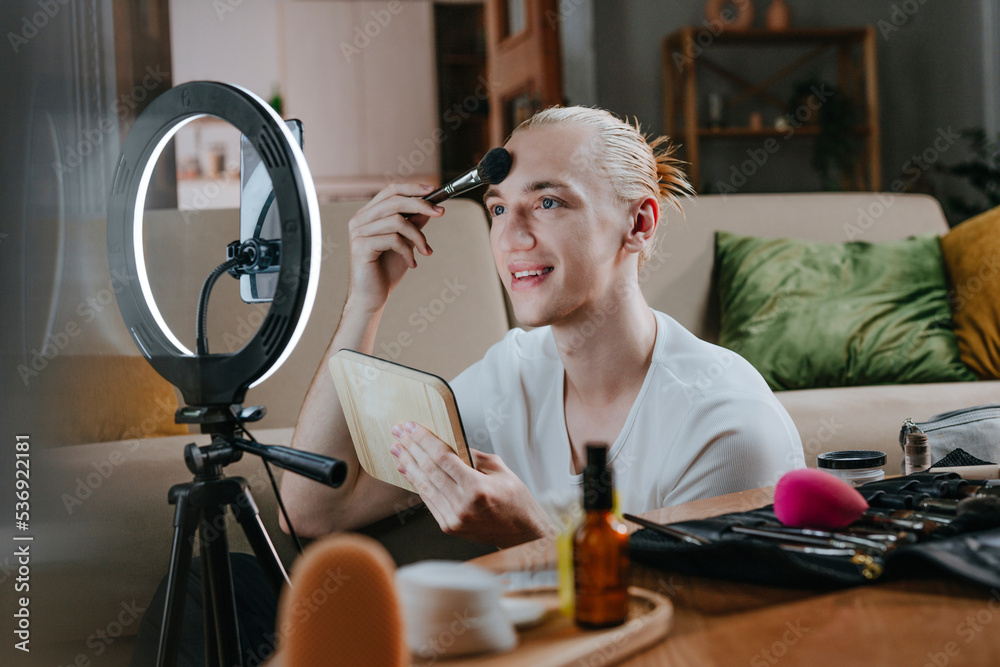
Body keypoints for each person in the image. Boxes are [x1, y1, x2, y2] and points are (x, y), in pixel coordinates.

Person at [281, 105, 805, 549]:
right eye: (499, 208)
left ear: (639, 223)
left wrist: (526, 533)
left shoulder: (723, 427)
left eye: (548, 202)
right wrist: (365, 304)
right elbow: (311, 513)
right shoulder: (512, 375)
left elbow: (689, 633)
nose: (511, 238)